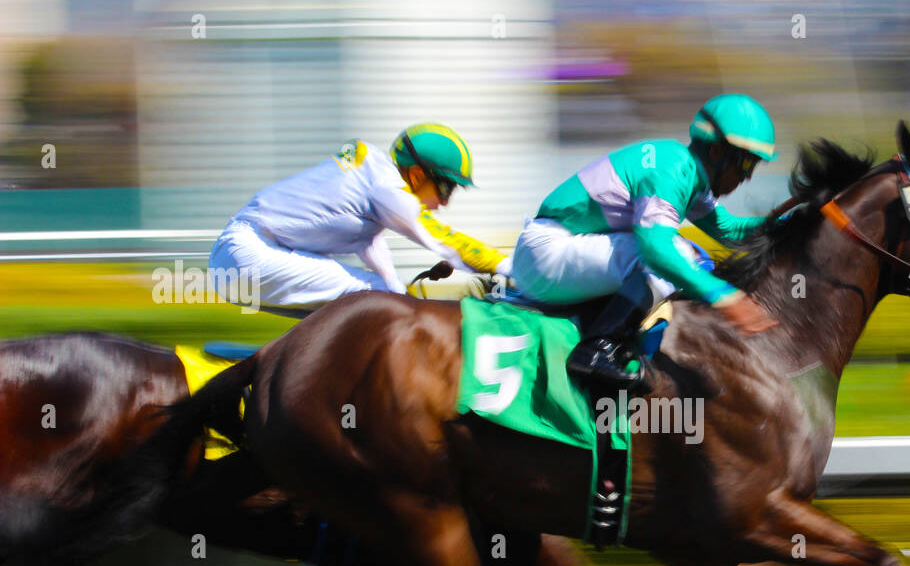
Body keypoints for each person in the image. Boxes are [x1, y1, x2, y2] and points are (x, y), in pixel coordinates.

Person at [510, 94, 781, 390]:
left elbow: (729, 231)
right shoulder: (672, 170)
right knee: (678, 252)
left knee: (687, 253)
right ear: (717, 152)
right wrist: (722, 296)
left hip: (556, 250)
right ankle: (597, 349)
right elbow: (656, 250)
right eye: (745, 166)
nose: (747, 178)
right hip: (546, 252)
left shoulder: (687, 173)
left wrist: (792, 221)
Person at [209, 123, 507, 310]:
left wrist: (398, 289)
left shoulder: (376, 180)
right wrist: (511, 267)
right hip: (249, 253)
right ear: (417, 175)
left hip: (243, 254)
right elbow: (447, 244)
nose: (444, 202)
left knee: (366, 305)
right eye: (445, 188)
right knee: (376, 299)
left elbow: (369, 244)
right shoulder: (389, 191)